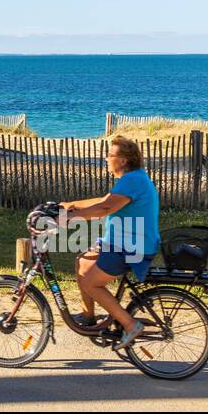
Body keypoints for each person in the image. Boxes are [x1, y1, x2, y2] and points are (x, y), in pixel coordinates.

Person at [61, 135, 160, 349]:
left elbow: (105, 209)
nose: (106, 159)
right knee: (82, 262)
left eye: (110, 155)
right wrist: (72, 205)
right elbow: (103, 201)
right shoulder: (132, 179)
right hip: (119, 243)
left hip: (130, 248)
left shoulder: (133, 181)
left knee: (90, 282)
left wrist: (68, 218)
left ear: (123, 160)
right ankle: (89, 316)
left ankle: (130, 324)